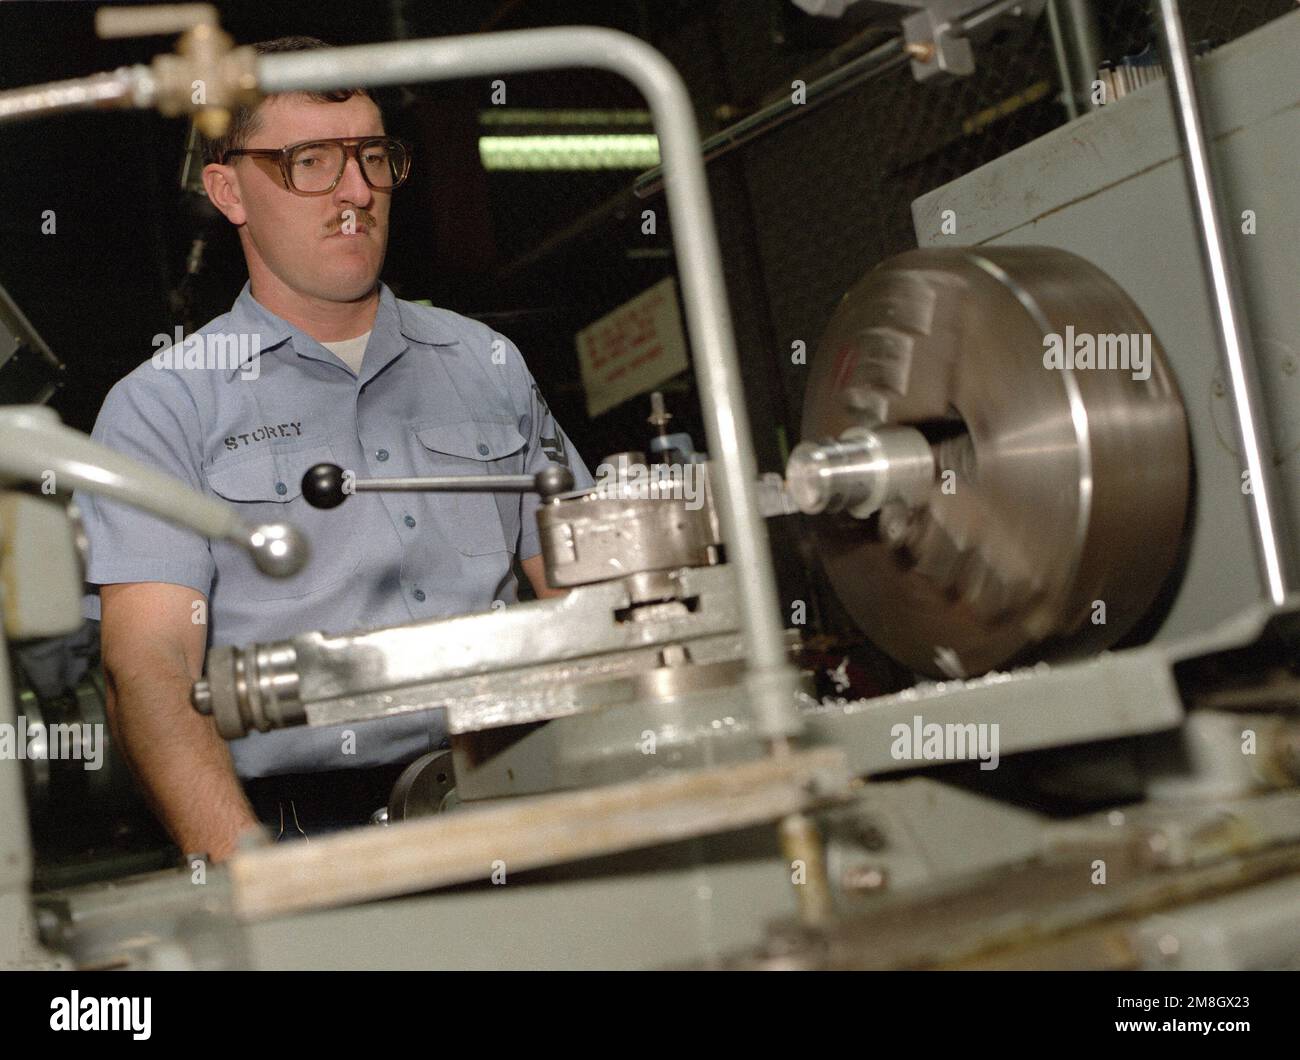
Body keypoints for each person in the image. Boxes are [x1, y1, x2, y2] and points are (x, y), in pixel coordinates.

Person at [74, 36, 593, 861]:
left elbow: (593, 590)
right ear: (227, 189)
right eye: (310, 161)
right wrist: (253, 877)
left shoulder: (484, 362)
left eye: (373, 158)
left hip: (529, 792)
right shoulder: (162, 406)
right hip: (309, 831)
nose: (356, 193)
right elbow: (150, 670)